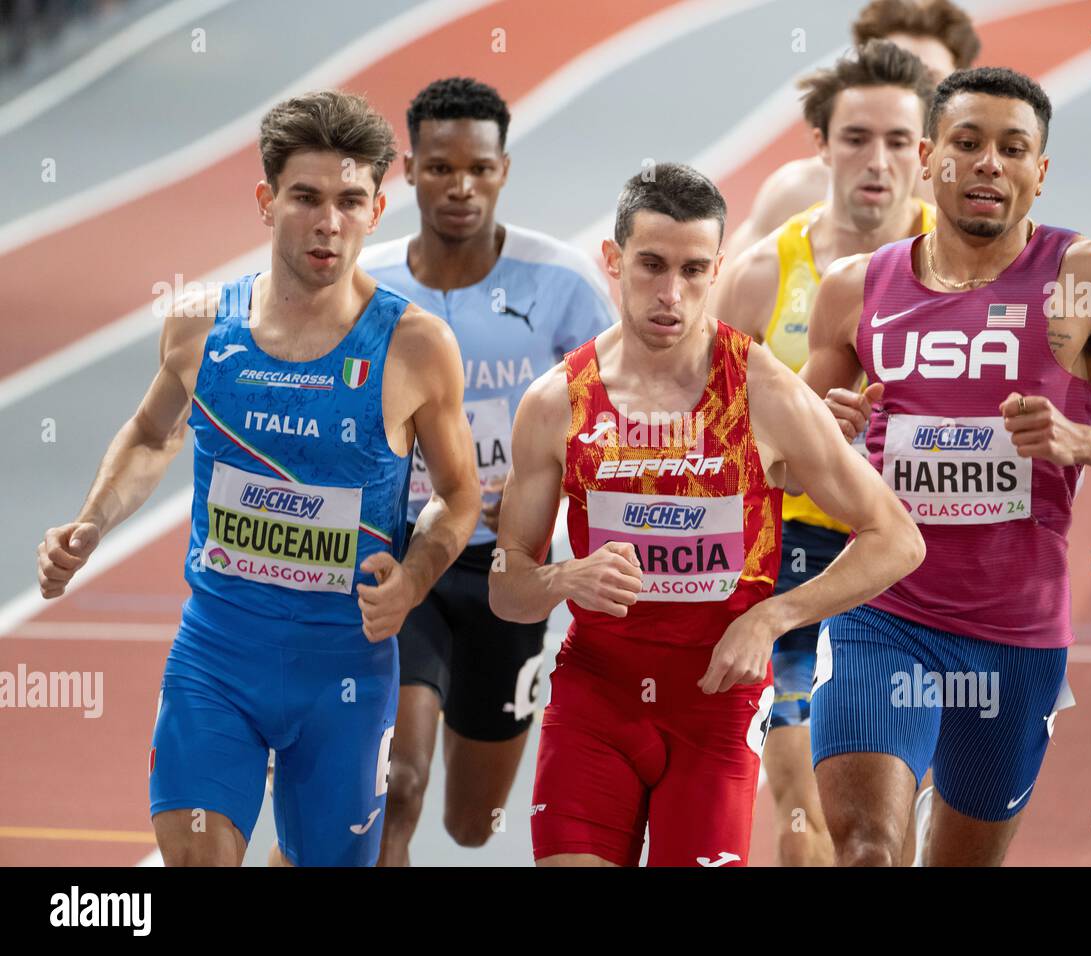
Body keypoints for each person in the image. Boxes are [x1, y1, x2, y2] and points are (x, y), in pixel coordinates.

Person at [36, 90, 481, 867]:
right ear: (265, 201)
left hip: (345, 671)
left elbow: (458, 494)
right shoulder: (201, 324)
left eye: (350, 201)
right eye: (306, 197)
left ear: (378, 211)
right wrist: (92, 523)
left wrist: (415, 578)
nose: (328, 222)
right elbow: (150, 434)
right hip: (218, 654)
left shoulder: (415, 347)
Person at [802, 67, 1091, 866]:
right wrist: (822, 435)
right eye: (967, 144)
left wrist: (1086, 442)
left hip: (1014, 637)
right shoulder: (854, 288)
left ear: (1042, 171)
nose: (989, 164)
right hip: (881, 613)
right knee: (865, 848)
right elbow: (780, 466)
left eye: (1013, 148)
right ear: (930, 159)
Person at [488, 162, 925, 867]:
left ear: (717, 269)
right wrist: (564, 580)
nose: (671, 295)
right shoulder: (555, 403)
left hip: (716, 708)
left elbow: (896, 539)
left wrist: (772, 616)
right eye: (651, 266)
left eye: (694, 271)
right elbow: (507, 587)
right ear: (612, 260)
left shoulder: (763, 392)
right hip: (594, 699)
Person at [358, 77, 616, 865]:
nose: (460, 187)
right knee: (396, 784)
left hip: (511, 574)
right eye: (439, 168)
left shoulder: (564, 283)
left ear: (504, 169)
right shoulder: (370, 288)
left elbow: (611, 423)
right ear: (408, 170)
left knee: (471, 824)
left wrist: (550, 510)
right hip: (406, 556)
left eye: (478, 168)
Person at [711, 39, 935, 866]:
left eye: (898, 141)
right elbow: (719, 443)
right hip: (792, 555)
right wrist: (801, 429)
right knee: (804, 800)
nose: (877, 162)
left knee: (888, 827)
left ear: (927, 151)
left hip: (918, 562)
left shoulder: (966, 270)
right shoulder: (763, 274)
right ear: (821, 143)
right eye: (855, 139)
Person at [725, 0, 980, 258]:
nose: (908, 93)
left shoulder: (976, 200)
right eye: (892, 74)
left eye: (929, 80)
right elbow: (723, 292)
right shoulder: (795, 193)